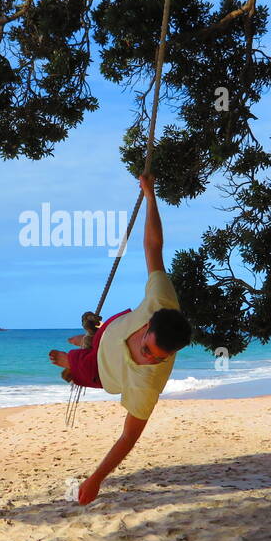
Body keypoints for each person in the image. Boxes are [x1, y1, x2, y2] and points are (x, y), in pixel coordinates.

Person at [47, 174, 192, 504]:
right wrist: (151, 195)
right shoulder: (162, 300)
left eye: (158, 358)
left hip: (101, 369)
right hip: (113, 329)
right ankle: (90, 337)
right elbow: (153, 247)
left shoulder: (148, 380)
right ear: (150, 324)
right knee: (96, 334)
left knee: (72, 363)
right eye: (148, 350)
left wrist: (95, 479)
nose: (152, 359)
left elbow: (128, 437)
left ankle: (73, 356)